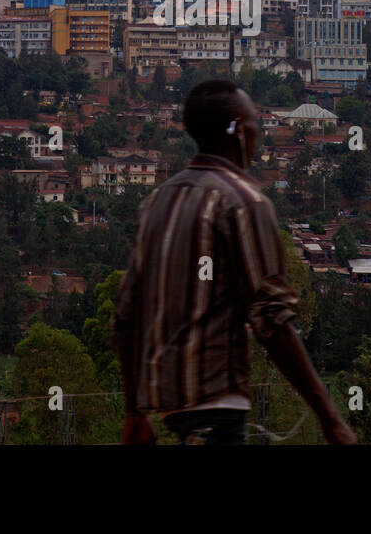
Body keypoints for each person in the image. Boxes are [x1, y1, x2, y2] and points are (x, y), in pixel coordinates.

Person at [113, 79, 355, 445]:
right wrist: (330, 418)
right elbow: (272, 321)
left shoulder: (158, 202)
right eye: (254, 122)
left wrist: (134, 412)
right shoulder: (243, 203)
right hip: (220, 412)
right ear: (237, 132)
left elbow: (126, 320)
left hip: (173, 414)